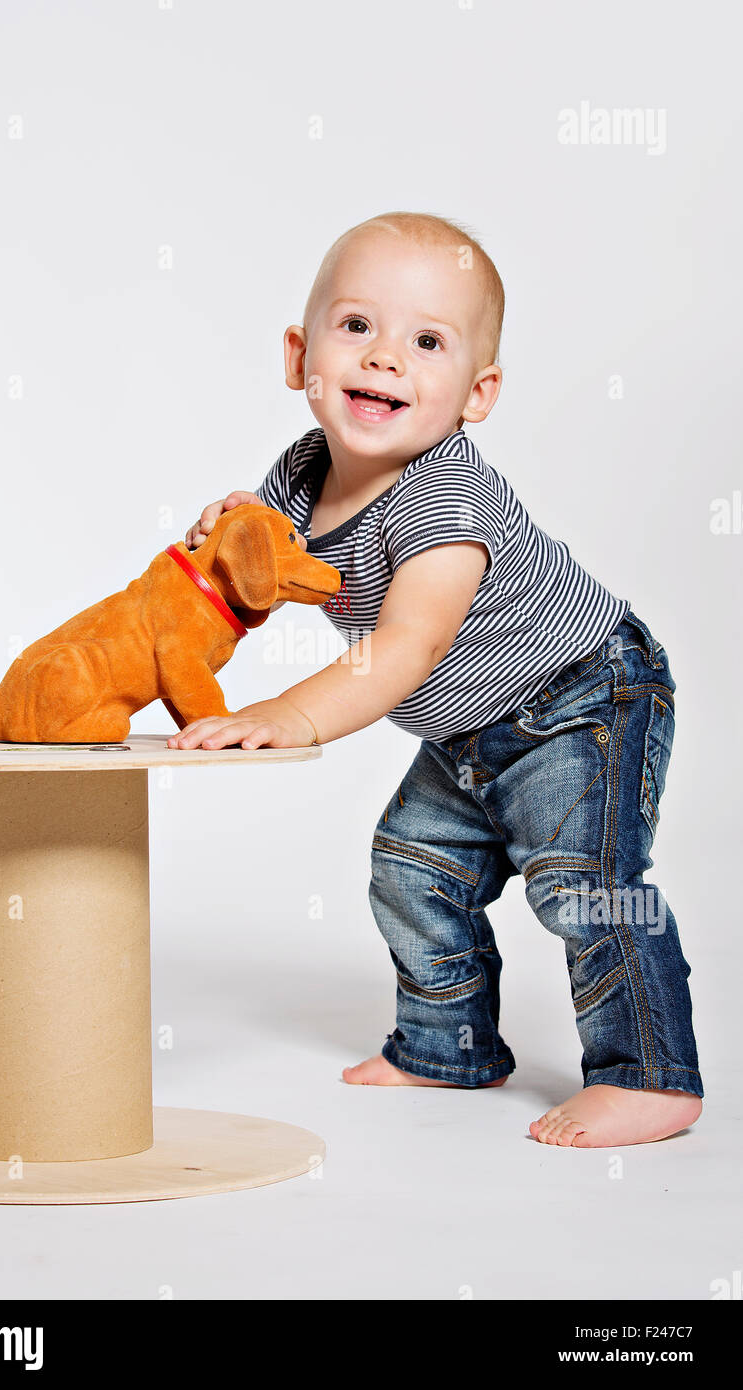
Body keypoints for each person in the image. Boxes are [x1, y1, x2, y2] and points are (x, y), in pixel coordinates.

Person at [168, 211, 703, 1147]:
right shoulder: (295, 476)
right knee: (412, 872)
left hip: (581, 697)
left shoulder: (444, 497)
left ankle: (650, 1074)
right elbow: (265, 570)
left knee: (583, 886)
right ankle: (446, 1047)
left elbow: (407, 648)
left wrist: (291, 715)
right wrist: (217, 553)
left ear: (476, 392)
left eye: (425, 342)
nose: (383, 360)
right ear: (299, 356)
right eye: (355, 328)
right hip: (463, 734)